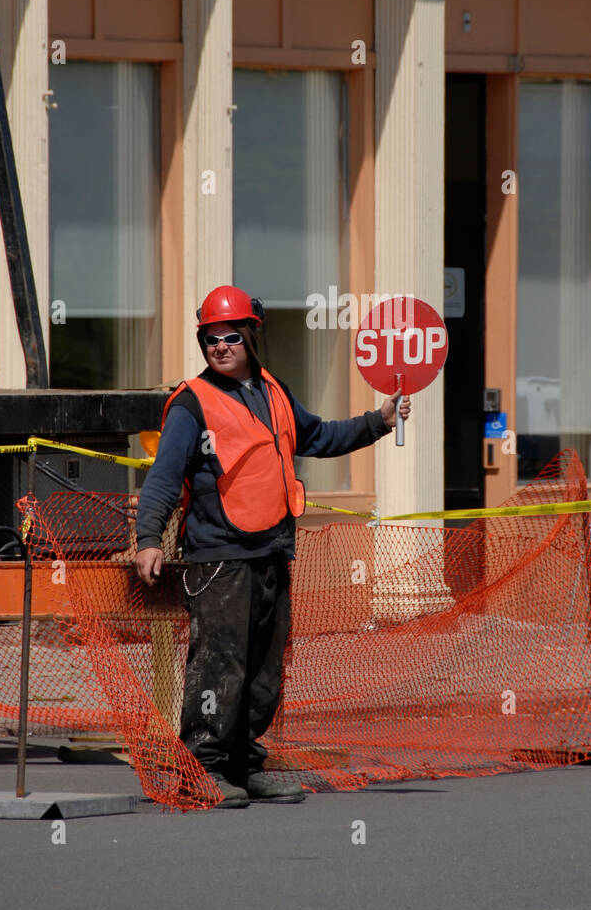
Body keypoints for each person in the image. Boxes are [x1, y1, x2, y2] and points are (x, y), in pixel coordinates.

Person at [135, 285, 411, 808]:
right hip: (218, 559)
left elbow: (320, 437)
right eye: (209, 338)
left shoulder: (274, 391)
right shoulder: (191, 404)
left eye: (229, 335)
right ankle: (203, 768)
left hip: (271, 552)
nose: (219, 346)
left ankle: (244, 765)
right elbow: (165, 476)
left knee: (263, 669)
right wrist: (148, 537)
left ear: (252, 336)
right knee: (219, 666)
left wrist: (379, 421)